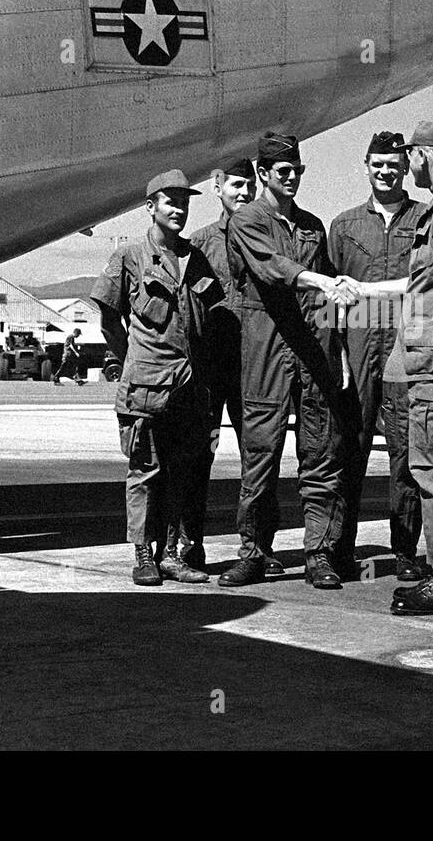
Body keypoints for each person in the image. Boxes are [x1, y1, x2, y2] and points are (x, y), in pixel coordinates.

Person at [342, 120, 433, 614]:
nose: (406, 165)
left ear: (425, 157)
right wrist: (361, 290)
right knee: (431, 465)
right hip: (430, 356)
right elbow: (424, 284)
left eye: (409, 156)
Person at [219, 132, 355, 590]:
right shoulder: (248, 220)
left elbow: (334, 291)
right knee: (260, 455)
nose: (292, 177)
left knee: (320, 453)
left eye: (297, 170)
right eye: (283, 171)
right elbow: (271, 266)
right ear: (263, 174)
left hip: (313, 349)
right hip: (266, 346)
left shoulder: (314, 226)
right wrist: (317, 279)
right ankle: (254, 553)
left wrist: (341, 352)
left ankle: (320, 553)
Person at [91, 169, 221, 586]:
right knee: (144, 470)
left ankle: (171, 554)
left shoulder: (195, 256)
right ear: (151, 207)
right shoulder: (129, 256)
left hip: (187, 385)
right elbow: (109, 318)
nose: (179, 208)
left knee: (180, 471)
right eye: (170, 201)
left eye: (184, 202)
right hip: (145, 383)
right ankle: (143, 554)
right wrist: (132, 358)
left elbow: (211, 316)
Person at [327, 131, 425, 581]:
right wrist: (338, 356)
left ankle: (405, 551)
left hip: (407, 344)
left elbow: (432, 286)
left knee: (406, 454)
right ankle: (339, 549)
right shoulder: (345, 226)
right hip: (359, 344)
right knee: (350, 449)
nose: (385, 171)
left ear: (405, 167)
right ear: (365, 167)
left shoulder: (425, 219)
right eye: (377, 164)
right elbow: (331, 298)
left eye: (393, 164)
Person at [186, 158, 284, 573]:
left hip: (256, 367)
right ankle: (189, 546)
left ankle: (259, 548)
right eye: (235, 186)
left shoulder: (270, 235)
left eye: (248, 186)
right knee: (197, 458)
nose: (243, 193)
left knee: (259, 457)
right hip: (211, 370)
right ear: (217, 186)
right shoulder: (199, 242)